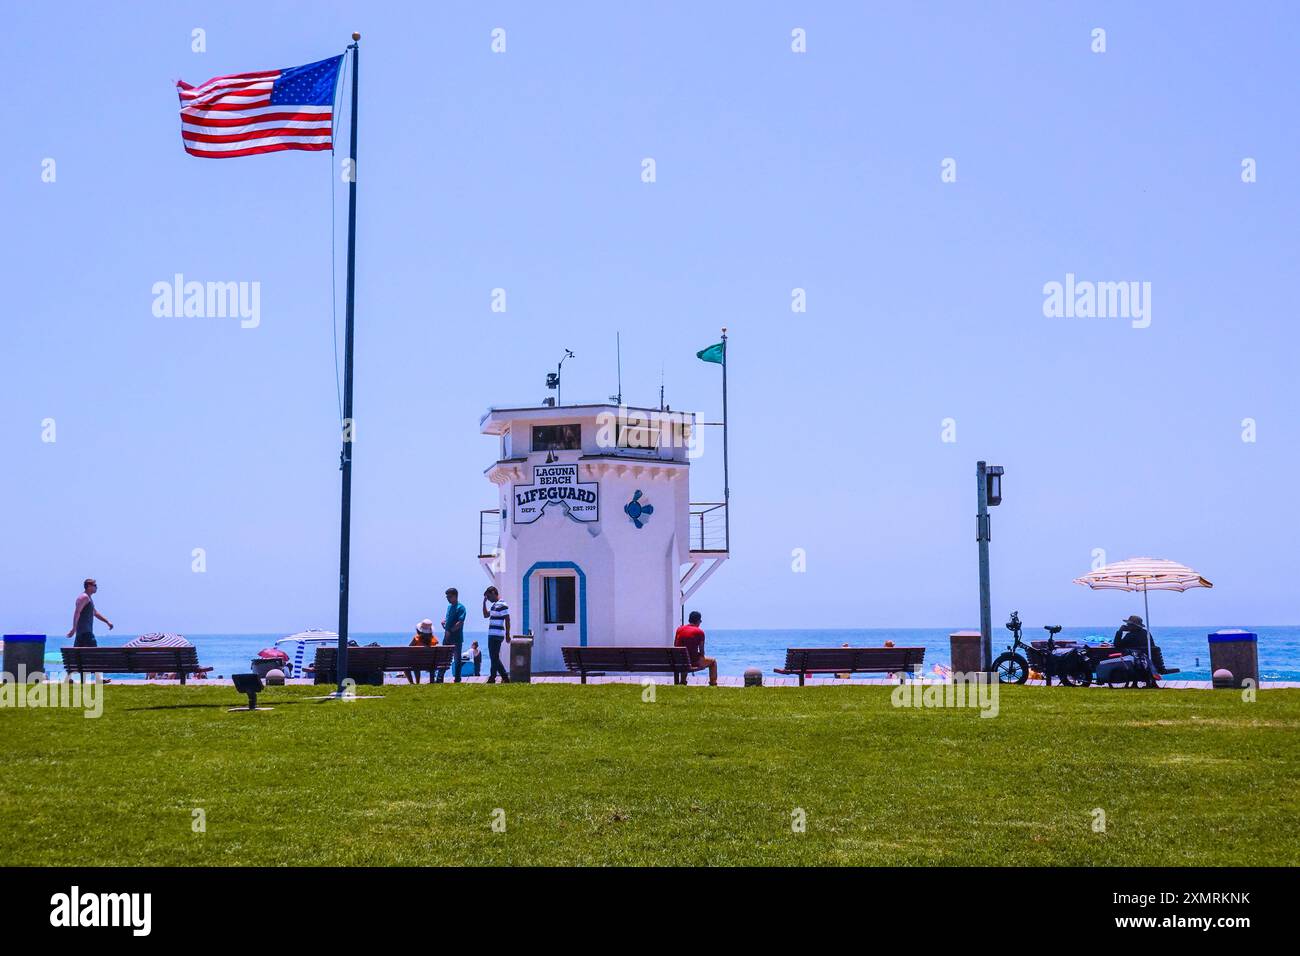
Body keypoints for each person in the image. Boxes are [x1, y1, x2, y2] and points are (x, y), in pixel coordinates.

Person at [674, 610, 718, 686]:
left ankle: (683, 681)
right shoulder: (699, 632)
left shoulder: (679, 629)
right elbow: (702, 651)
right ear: (698, 621)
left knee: (684, 658)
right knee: (713, 662)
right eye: (700, 621)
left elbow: (675, 645)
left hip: (679, 661)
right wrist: (702, 659)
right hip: (692, 661)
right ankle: (713, 683)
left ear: (689, 620)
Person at [67, 578, 112, 647]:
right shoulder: (84, 597)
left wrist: (107, 622)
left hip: (84, 633)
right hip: (85, 634)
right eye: (95, 585)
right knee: (94, 655)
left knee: (80, 656)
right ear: (89, 586)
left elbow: (95, 613)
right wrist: (74, 628)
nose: (96, 587)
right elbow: (77, 612)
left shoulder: (88, 598)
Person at [482, 586, 511, 684]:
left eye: (489, 596)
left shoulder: (502, 604)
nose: (489, 599)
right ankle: (503, 677)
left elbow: (507, 619)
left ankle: (494, 677)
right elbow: (486, 615)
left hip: (497, 634)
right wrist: (484, 603)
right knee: (494, 657)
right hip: (492, 634)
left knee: (494, 657)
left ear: (494, 593)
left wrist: (507, 634)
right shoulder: (494, 605)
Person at [440, 588, 467, 683]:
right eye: (447, 597)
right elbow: (449, 620)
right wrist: (445, 623)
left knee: (457, 659)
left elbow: (460, 622)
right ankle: (440, 678)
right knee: (444, 658)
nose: (448, 599)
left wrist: (450, 630)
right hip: (446, 637)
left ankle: (457, 678)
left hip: (456, 638)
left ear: (455, 596)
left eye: (450, 597)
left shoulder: (461, 607)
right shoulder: (449, 607)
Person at [405, 619, 438, 684]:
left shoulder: (416, 639)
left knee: (409, 666)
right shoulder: (434, 640)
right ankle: (429, 681)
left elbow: (409, 649)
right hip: (430, 663)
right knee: (417, 664)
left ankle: (412, 683)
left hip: (416, 663)